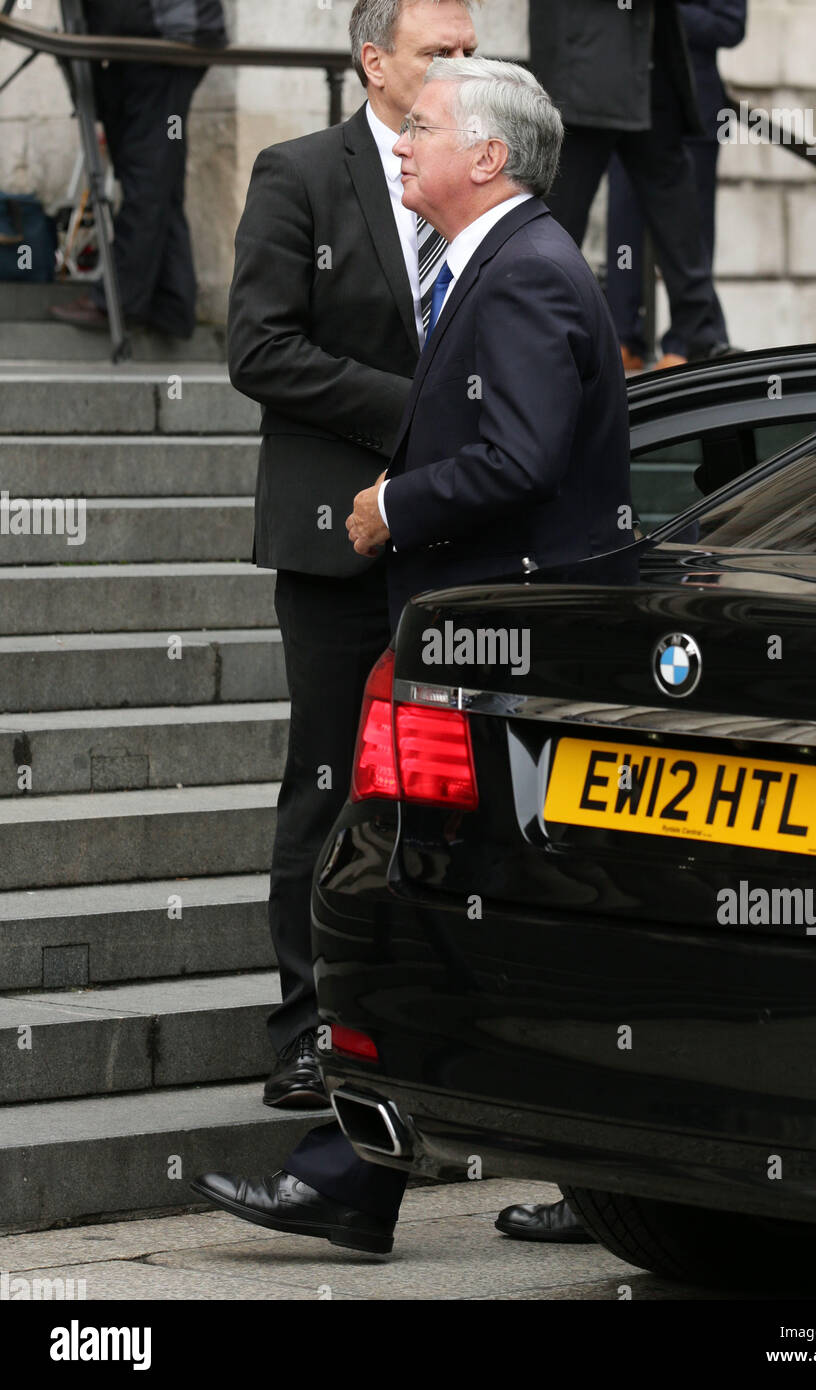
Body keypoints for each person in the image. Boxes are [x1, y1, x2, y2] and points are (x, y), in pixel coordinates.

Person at [193, 56, 633, 1255]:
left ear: (486, 157)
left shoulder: (525, 272)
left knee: (434, 904)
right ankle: (371, 1177)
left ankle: (364, 1175)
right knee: (454, 909)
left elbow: (525, 457)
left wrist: (397, 502)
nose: (403, 140)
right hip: (481, 648)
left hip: (503, 652)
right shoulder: (501, 261)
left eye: (426, 126)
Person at [226, 0, 478, 1112]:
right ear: (375, 64)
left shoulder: (485, 170)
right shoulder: (298, 175)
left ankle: (423, 1026)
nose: (465, 67)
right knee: (327, 785)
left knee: (451, 800)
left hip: (459, 541)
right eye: (442, 52)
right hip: (337, 542)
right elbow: (260, 347)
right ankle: (303, 1029)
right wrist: (415, 412)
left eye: (474, 51)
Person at [529, 0, 730, 371]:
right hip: (586, 74)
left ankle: (696, 337)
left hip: (650, 69)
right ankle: (537, 336)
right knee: (555, 220)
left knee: (677, 211)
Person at [52, 0, 226, 338]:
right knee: (157, 178)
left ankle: (116, 302)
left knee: (147, 177)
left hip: (163, 41)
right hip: (148, 41)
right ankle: (171, 303)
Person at [606, 0, 747, 371]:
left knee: (689, 231)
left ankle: (685, 342)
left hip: (689, 111)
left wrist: (658, 11)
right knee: (622, 224)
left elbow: (731, 25)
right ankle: (623, 336)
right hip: (625, 101)